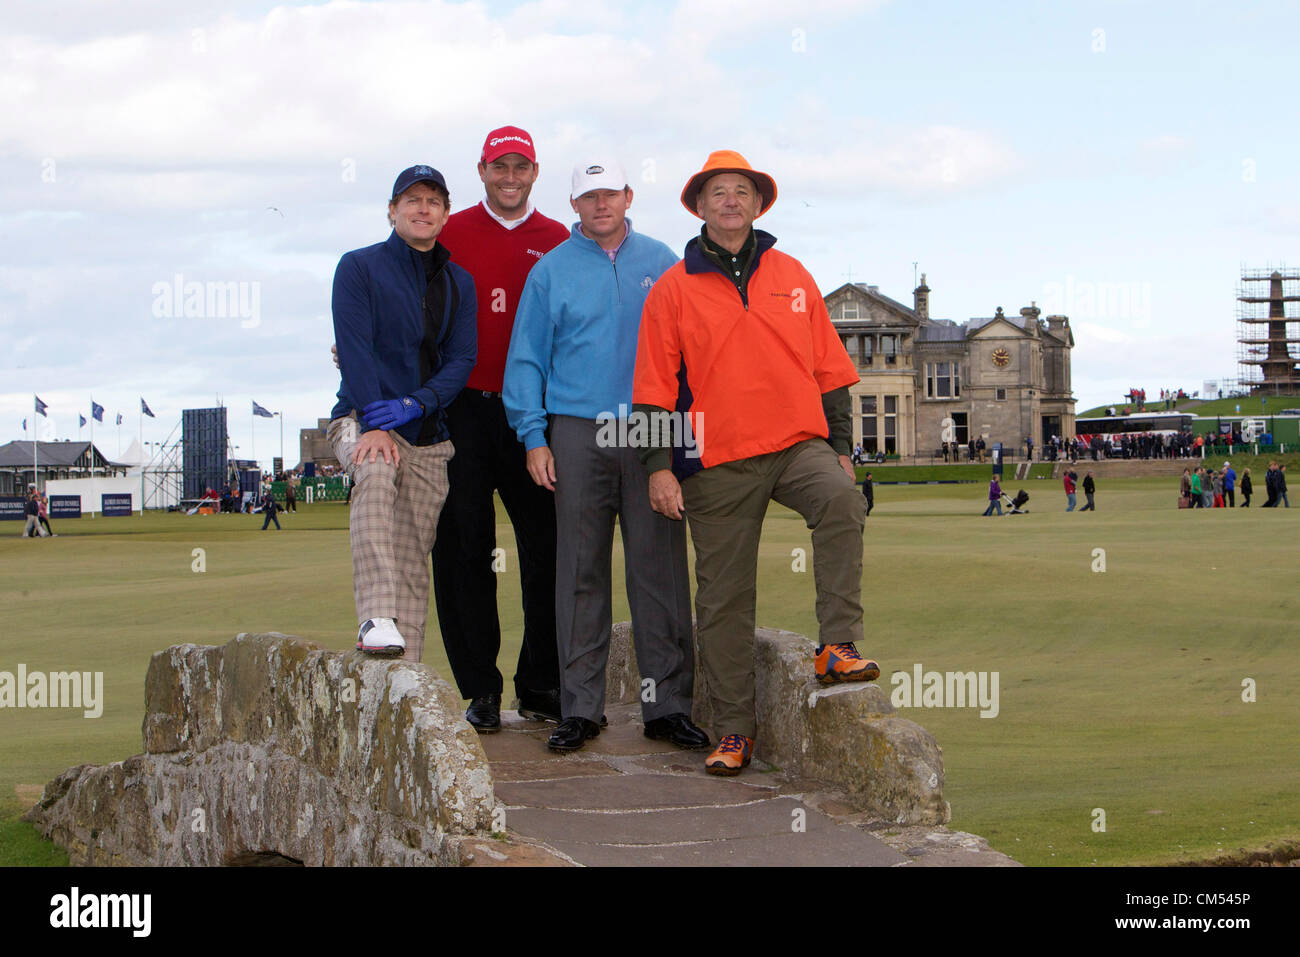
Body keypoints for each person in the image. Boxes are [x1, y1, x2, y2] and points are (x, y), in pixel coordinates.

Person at [632, 150, 877, 776]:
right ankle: (734, 730)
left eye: (741, 190)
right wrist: (658, 467)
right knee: (723, 600)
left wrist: (842, 448)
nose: (730, 200)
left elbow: (830, 373)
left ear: (758, 202)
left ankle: (836, 646)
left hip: (798, 443)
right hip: (715, 459)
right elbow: (653, 386)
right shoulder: (672, 288)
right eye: (718, 192)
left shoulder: (793, 274)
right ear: (700, 205)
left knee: (843, 500)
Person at [503, 158, 704, 755]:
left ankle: (665, 707)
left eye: (609, 194)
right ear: (574, 205)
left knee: (658, 570)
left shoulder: (663, 262)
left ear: (628, 195)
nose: (600, 205)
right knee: (580, 573)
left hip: (648, 427)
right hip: (577, 428)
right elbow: (528, 359)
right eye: (588, 197)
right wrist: (533, 435)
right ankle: (581, 709)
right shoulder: (551, 272)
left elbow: (692, 350)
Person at [432, 126, 571, 731]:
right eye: (499, 167)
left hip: (534, 416)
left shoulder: (560, 240)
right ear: (481, 171)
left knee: (549, 548)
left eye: (520, 167)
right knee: (465, 549)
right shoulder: (449, 232)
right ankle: (480, 689)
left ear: (535, 172)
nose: (509, 177)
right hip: (460, 408)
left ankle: (540, 684)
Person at [328, 164, 477, 661]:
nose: (423, 208)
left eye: (433, 201)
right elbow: (353, 348)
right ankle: (374, 616)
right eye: (412, 200)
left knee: (413, 557)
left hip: (429, 435)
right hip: (359, 419)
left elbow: (461, 361)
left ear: (445, 215)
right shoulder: (358, 266)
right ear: (392, 211)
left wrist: (415, 404)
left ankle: (405, 678)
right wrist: (375, 422)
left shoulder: (458, 282)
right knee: (373, 472)